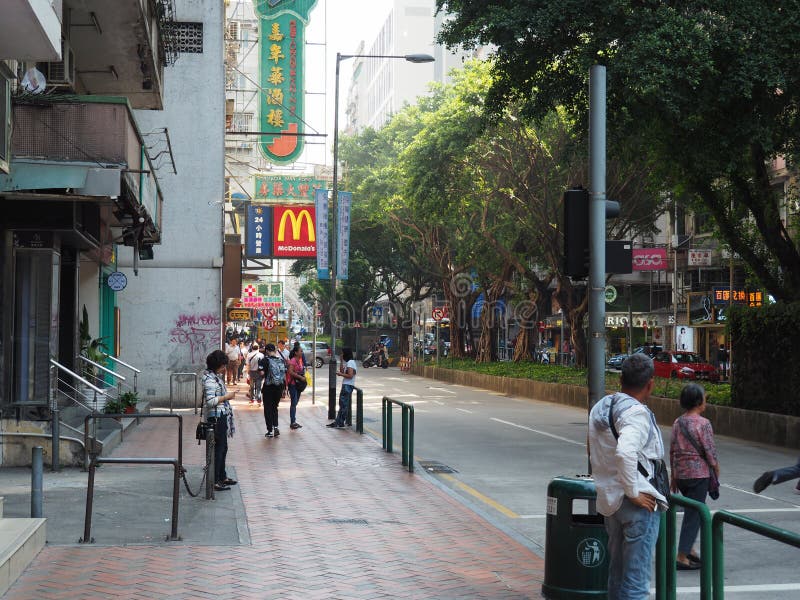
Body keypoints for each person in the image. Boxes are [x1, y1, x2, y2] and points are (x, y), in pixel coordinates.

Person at [588, 353, 667, 599]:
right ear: (651, 383)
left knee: (618, 575)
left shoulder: (601, 406)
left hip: (610, 501)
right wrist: (633, 492)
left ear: (620, 379)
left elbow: (591, 447)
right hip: (636, 505)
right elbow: (625, 452)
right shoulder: (636, 414)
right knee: (635, 584)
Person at [669, 383, 719, 570]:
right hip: (699, 475)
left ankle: (689, 549)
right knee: (694, 514)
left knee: (692, 511)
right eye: (704, 397)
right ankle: (681, 555)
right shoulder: (703, 423)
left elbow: (672, 450)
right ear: (698, 401)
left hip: (682, 475)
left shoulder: (678, 422)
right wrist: (715, 467)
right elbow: (709, 450)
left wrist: (674, 475)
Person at [202, 349, 237, 491]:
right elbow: (211, 401)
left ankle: (222, 476)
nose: (224, 368)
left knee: (223, 447)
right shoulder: (210, 379)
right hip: (216, 416)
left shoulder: (214, 376)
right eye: (223, 365)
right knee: (218, 448)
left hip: (221, 414)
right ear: (217, 365)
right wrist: (227, 397)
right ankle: (215, 480)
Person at [259, 343, 286, 437]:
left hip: (268, 388)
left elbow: (262, 373)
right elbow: (283, 374)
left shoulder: (264, 360)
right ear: (274, 350)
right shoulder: (281, 360)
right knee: (275, 407)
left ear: (266, 351)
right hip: (279, 387)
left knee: (267, 409)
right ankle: (276, 427)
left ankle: (270, 431)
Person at [328, 347, 357, 428]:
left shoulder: (351, 363)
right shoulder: (349, 362)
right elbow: (342, 371)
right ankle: (339, 421)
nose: (341, 354)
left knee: (343, 405)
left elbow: (350, 375)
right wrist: (341, 361)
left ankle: (340, 422)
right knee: (342, 404)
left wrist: (341, 374)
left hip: (347, 386)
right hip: (346, 385)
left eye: (342, 353)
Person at [286, 346, 306, 430]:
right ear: (296, 352)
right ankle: (292, 422)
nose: (302, 352)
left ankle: (293, 421)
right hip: (293, 384)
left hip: (298, 385)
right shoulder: (293, 361)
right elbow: (290, 372)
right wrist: (300, 377)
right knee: (293, 403)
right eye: (300, 351)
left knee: (295, 402)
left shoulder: (300, 360)